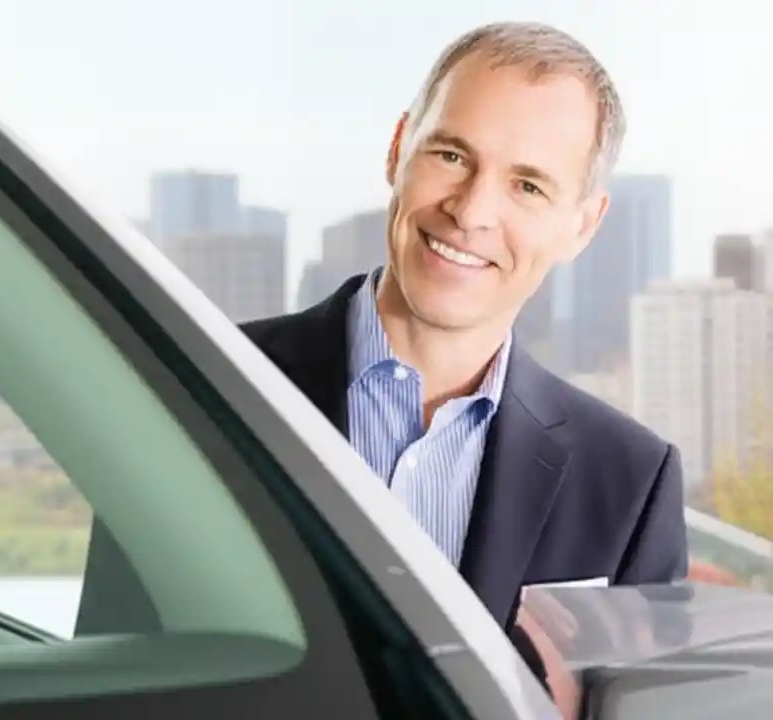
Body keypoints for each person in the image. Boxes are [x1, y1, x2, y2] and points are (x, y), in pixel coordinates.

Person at [242, 19, 686, 660]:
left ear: (582, 226)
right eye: (451, 156)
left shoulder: (631, 484)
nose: (472, 210)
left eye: (528, 186)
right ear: (399, 148)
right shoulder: (210, 384)